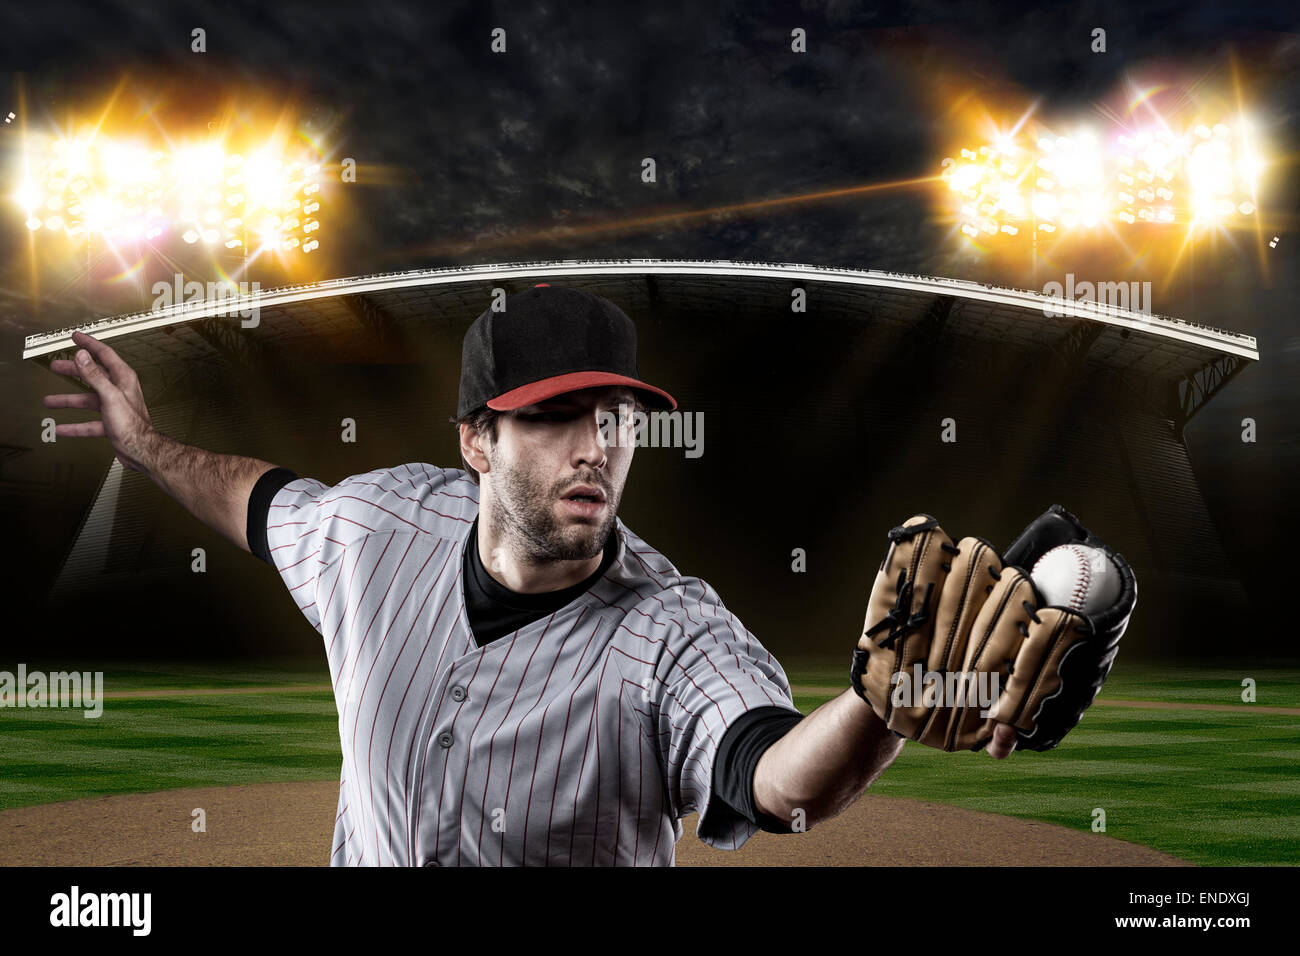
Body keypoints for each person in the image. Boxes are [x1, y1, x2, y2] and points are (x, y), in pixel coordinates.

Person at [43, 283, 1019, 867]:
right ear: (477, 439)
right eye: (557, 415)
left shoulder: (672, 631)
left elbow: (769, 774)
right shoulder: (371, 527)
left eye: (616, 416)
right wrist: (144, 444)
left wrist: (872, 709)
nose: (595, 444)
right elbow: (261, 502)